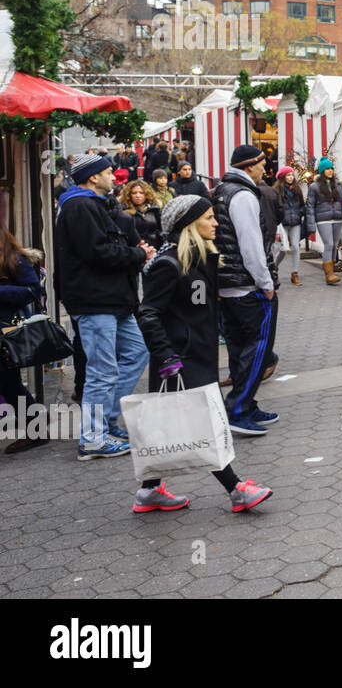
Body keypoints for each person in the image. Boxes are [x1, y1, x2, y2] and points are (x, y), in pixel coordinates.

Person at [132, 196, 274, 514]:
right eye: (209, 217)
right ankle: (236, 489)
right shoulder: (169, 265)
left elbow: (200, 308)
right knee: (206, 426)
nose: (216, 223)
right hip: (180, 361)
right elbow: (148, 313)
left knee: (167, 427)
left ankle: (148, 491)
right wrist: (166, 356)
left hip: (197, 356)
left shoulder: (200, 260)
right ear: (189, 224)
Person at [54, 153, 154, 460]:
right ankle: (93, 438)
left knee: (137, 351)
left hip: (111, 299)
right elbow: (99, 252)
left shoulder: (90, 204)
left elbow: (108, 246)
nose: (115, 177)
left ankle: (107, 420)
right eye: (109, 172)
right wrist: (139, 255)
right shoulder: (79, 206)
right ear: (93, 177)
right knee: (101, 370)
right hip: (95, 300)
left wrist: (134, 250)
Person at [212, 144, 279, 435]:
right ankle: (238, 409)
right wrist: (266, 284)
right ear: (251, 165)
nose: (266, 169)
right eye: (263, 163)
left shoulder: (222, 190)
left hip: (228, 284)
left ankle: (245, 404)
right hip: (247, 285)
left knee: (240, 350)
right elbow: (251, 245)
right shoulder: (242, 195)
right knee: (257, 351)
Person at [0, 227, 49, 454]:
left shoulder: (15, 258)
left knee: (9, 382)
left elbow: (32, 289)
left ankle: (36, 430)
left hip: (7, 330)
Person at [305, 158, 342, 287]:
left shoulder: (338, 184)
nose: (330, 171)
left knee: (334, 245)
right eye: (328, 169)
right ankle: (329, 275)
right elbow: (310, 206)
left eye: (332, 168)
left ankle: (331, 272)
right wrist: (311, 224)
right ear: (322, 171)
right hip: (323, 220)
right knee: (328, 244)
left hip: (337, 218)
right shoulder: (314, 186)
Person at [274, 167, 306, 286]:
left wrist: (301, 213)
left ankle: (295, 274)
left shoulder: (297, 189)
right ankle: (274, 267)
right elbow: (275, 206)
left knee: (296, 248)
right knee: (283, 249)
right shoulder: (277, 190)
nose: (291, 177)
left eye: (292, 175)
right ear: (283, 177)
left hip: (295, 222)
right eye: (288, 175)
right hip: (282, 223)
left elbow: (302, 205)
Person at [118, 180, 163, 251]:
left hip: (155, 248)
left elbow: (162, 229)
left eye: (141, 193)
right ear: (129, 195)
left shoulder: (155, 209)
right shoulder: (124, 212)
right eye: (134, 193)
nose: (138, 196)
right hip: (135, 251)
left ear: (146, 194)